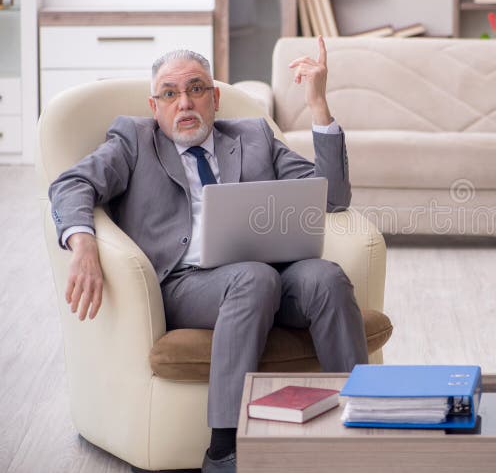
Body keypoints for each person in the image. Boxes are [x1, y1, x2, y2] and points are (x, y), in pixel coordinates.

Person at [48, 37, 368, 473]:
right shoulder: (133, 140)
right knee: (253, 277)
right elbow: (71, 184)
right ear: (154, 105)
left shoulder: (254, 135)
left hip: (272, 278)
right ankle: (223, 448)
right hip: (186, 284)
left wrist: (318, 105)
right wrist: (82, 242)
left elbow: (333, 198)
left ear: (215, 97)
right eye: (169, 93)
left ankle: (362, 422)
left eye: (196, 89)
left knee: (326, 276)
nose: (184, 103)